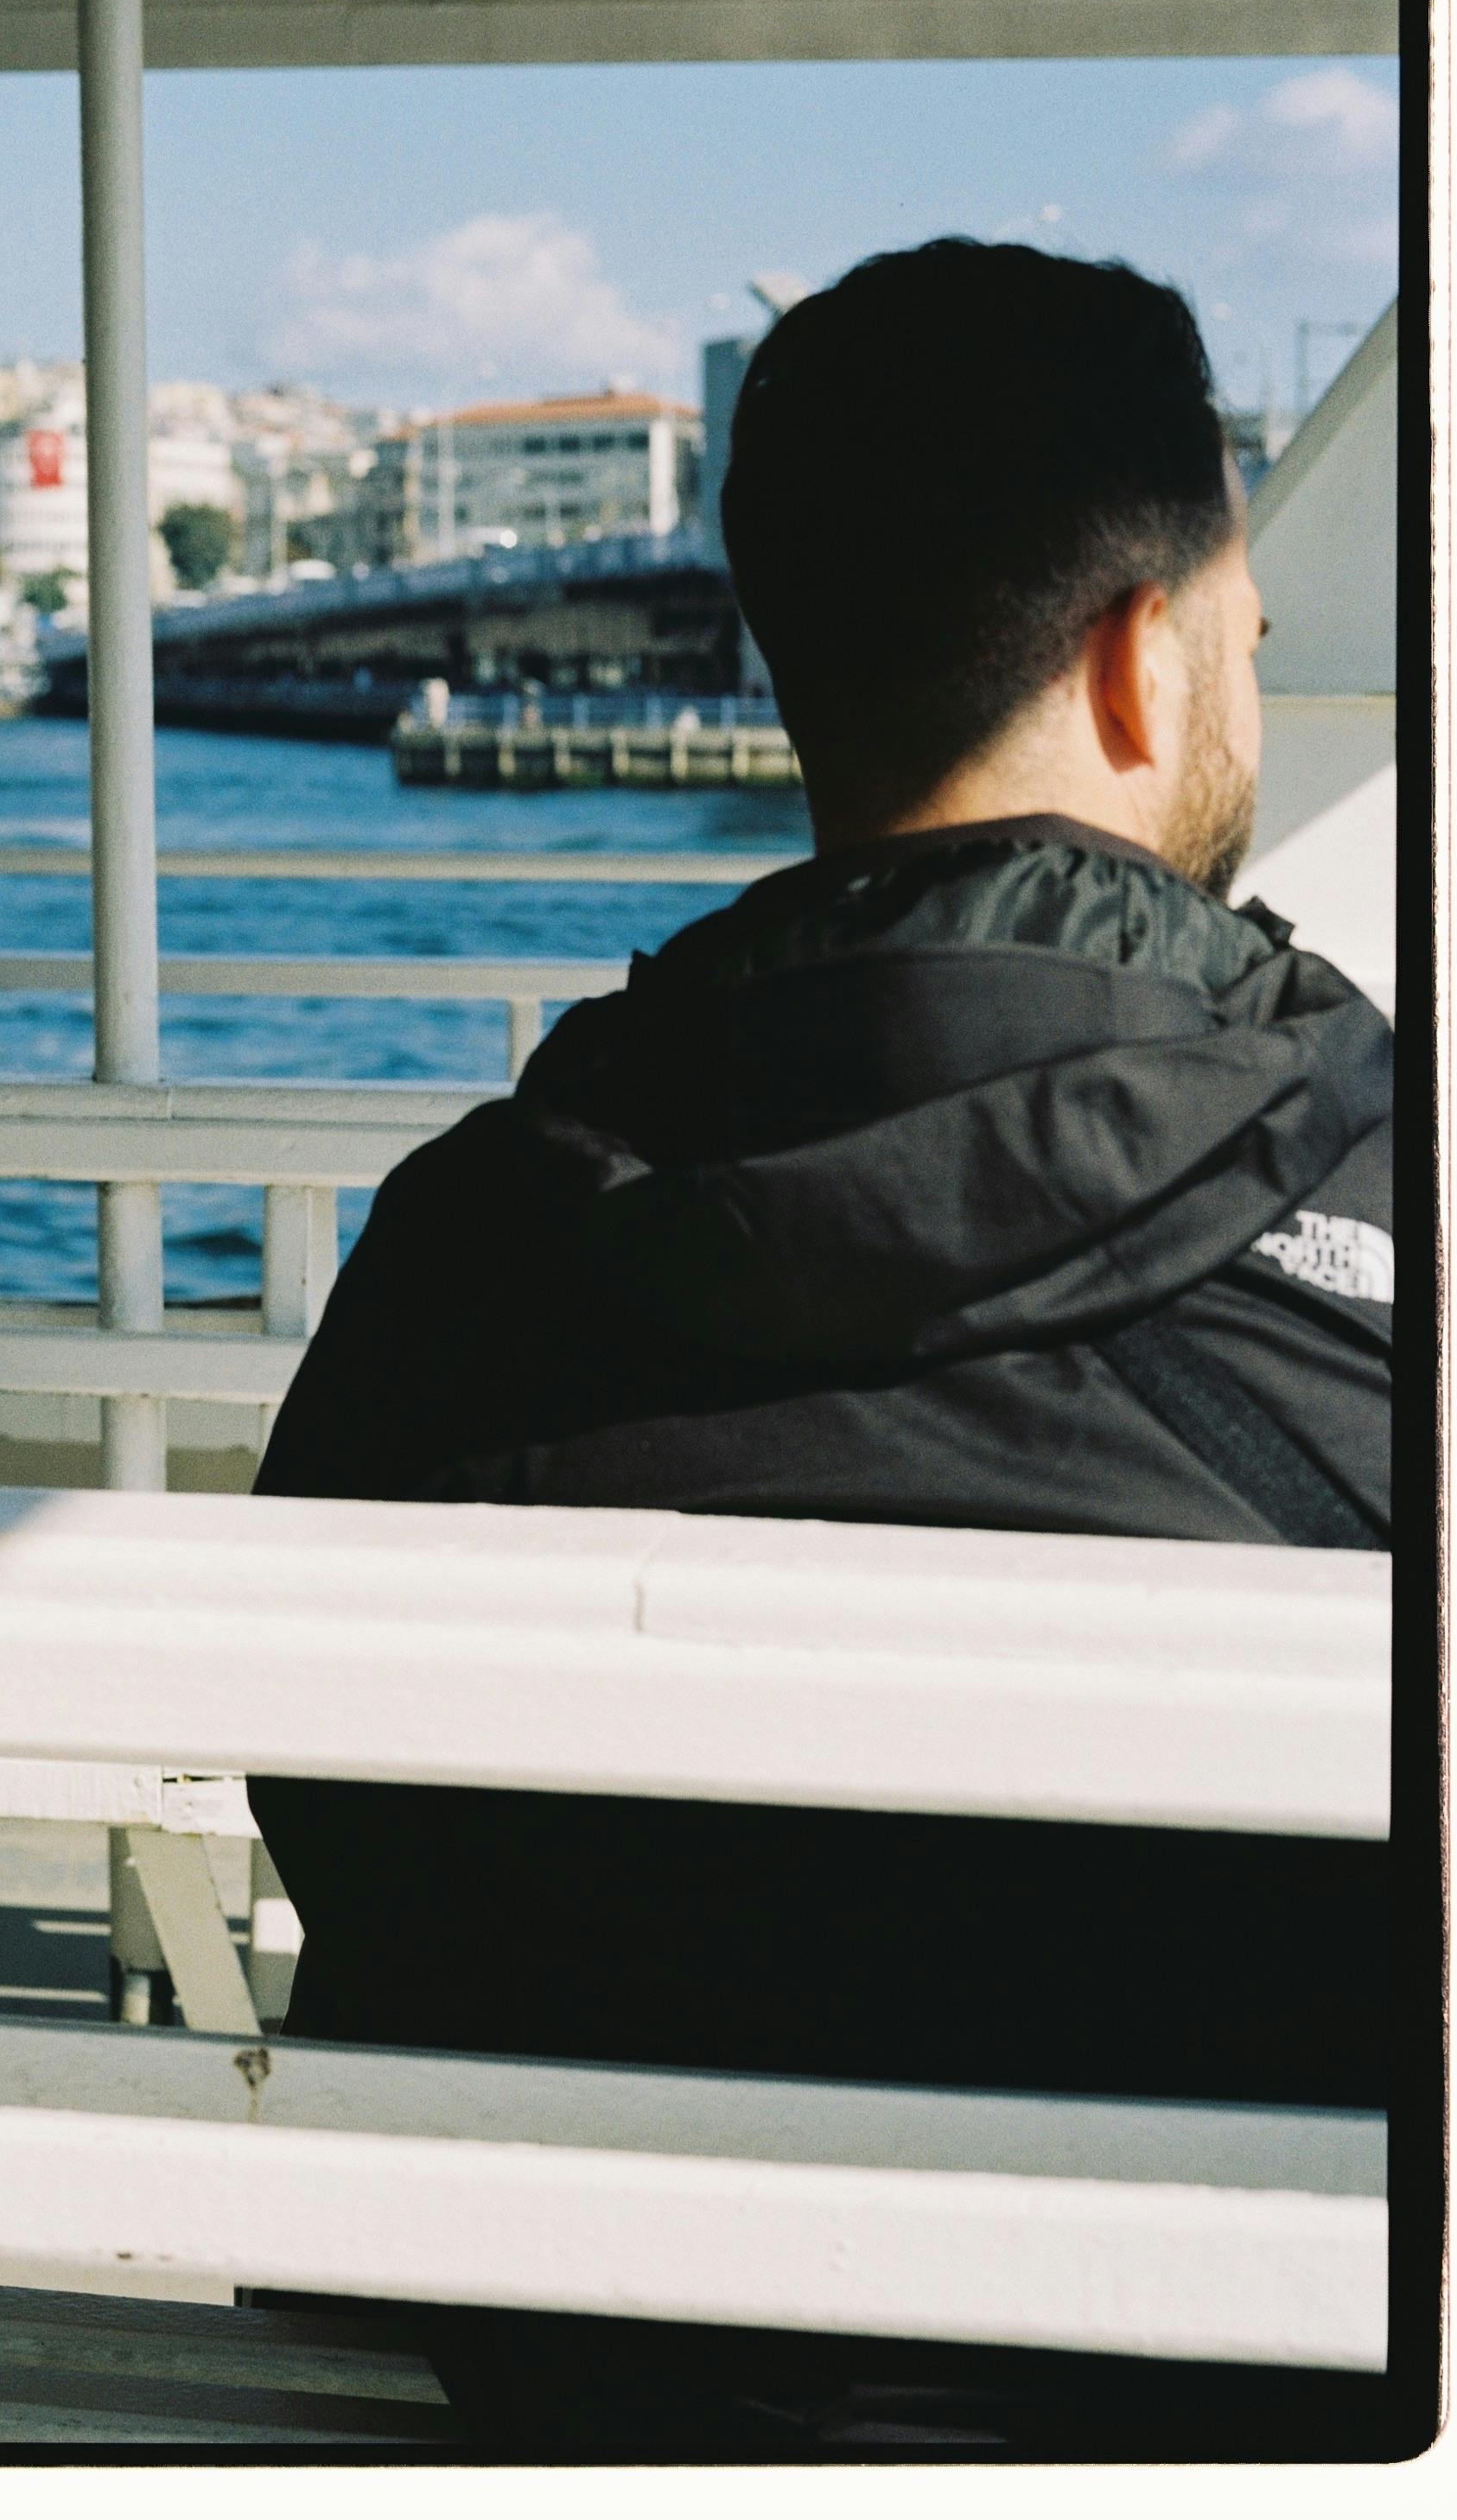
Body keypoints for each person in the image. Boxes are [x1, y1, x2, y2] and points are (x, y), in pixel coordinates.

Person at [249, 241, 1394, 2462]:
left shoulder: (467, 1243)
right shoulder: (1393, 1195)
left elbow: (348, 1818)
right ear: (1139, 659)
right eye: (1247, 634)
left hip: (630, 2400)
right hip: (1272, 2410)